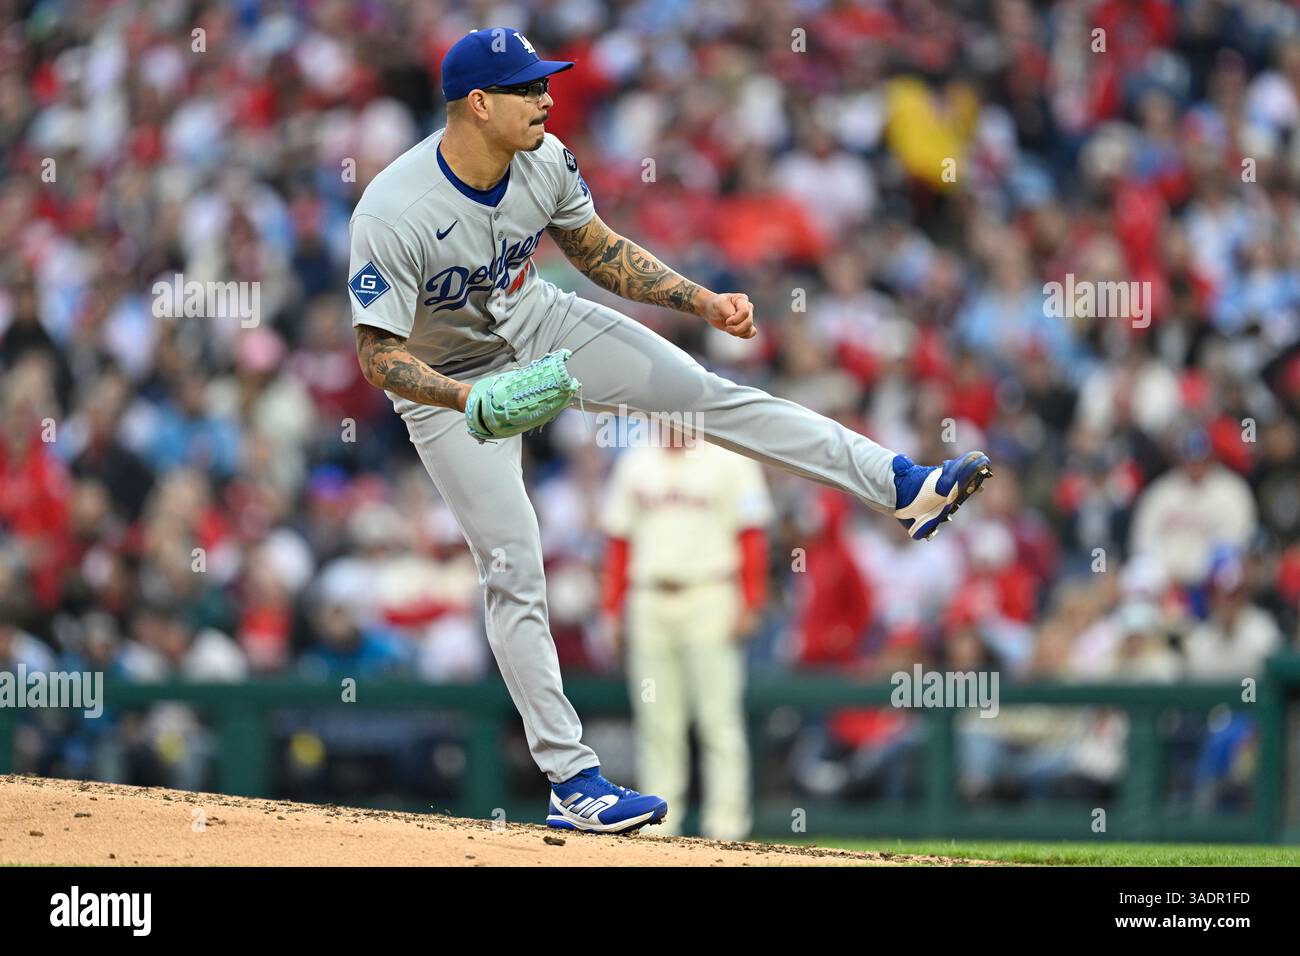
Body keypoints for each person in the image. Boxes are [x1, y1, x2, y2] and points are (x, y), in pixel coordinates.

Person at [346, 27, 993, 834]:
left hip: (535, 322)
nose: (548, 98)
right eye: (529, 88)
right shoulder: (394, 208)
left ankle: (902, 486)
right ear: (478, 104)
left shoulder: (544, 157)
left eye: (547, 84)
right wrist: (464, 402)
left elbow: (595, 249)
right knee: (513, 564)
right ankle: (571, 780)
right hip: (446, 386)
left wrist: (700, 301)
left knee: (707, 395)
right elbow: (378, 356)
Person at [599, 437, 772, 840]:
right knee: (657, 721)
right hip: (649, 597)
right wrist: (611, 609)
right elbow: (619, 542)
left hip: (710, 593)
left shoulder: (728, 458)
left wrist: (751, 599)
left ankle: (726, 828)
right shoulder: (636, 460)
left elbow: (751, 535)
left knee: (719, 719)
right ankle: (661, 826)